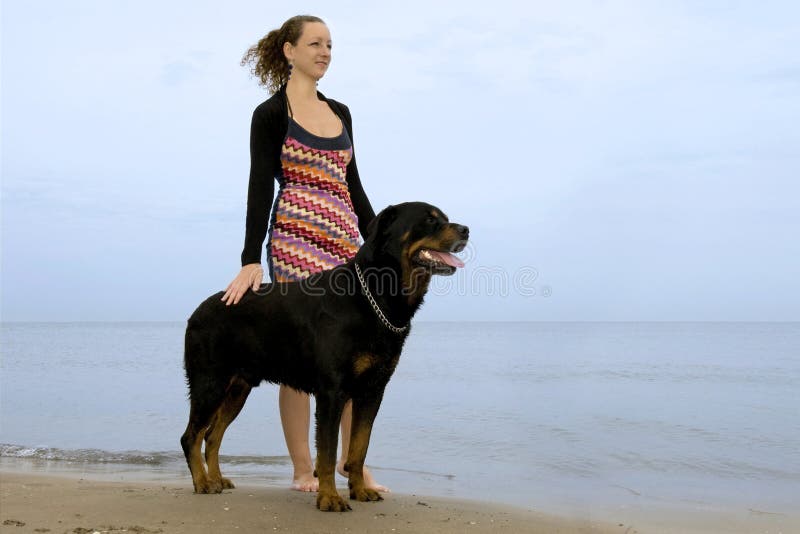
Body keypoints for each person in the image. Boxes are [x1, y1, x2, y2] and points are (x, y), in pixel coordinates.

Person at [221, 15, 388, 494]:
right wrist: (250, 258)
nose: (325, 52)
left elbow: (353, 186)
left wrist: (377, 245)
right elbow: (257, 186)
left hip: (344, 245)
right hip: (294, 240)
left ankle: (352, 466)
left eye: (330, 45)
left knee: (353, 353)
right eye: (315, 43)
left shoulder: (341, 112)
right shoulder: (270, 114)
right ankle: (302, 468)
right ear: (289, 51)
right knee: (299, 359)